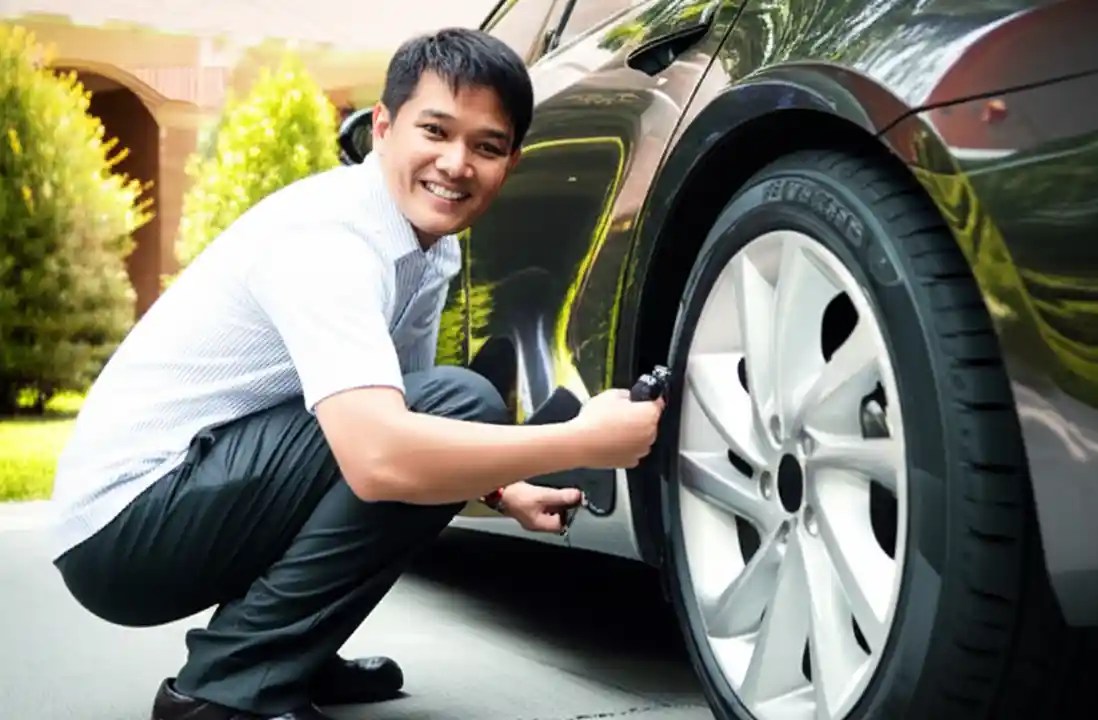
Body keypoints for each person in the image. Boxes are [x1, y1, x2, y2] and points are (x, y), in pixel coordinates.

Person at [48, 27, 664, 720]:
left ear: (509, 164)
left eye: (487, 146)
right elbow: (381, 458)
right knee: (460, 403)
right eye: (435, 130)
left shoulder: (428, 252)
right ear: (382, 128)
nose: (456, 163)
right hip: (126, 529)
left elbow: (400, 429)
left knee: (440, 413)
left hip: (175, 502)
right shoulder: (333, 239)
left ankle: (286, 653)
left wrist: (502, 489)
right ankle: (226, 692)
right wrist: (583, 442)